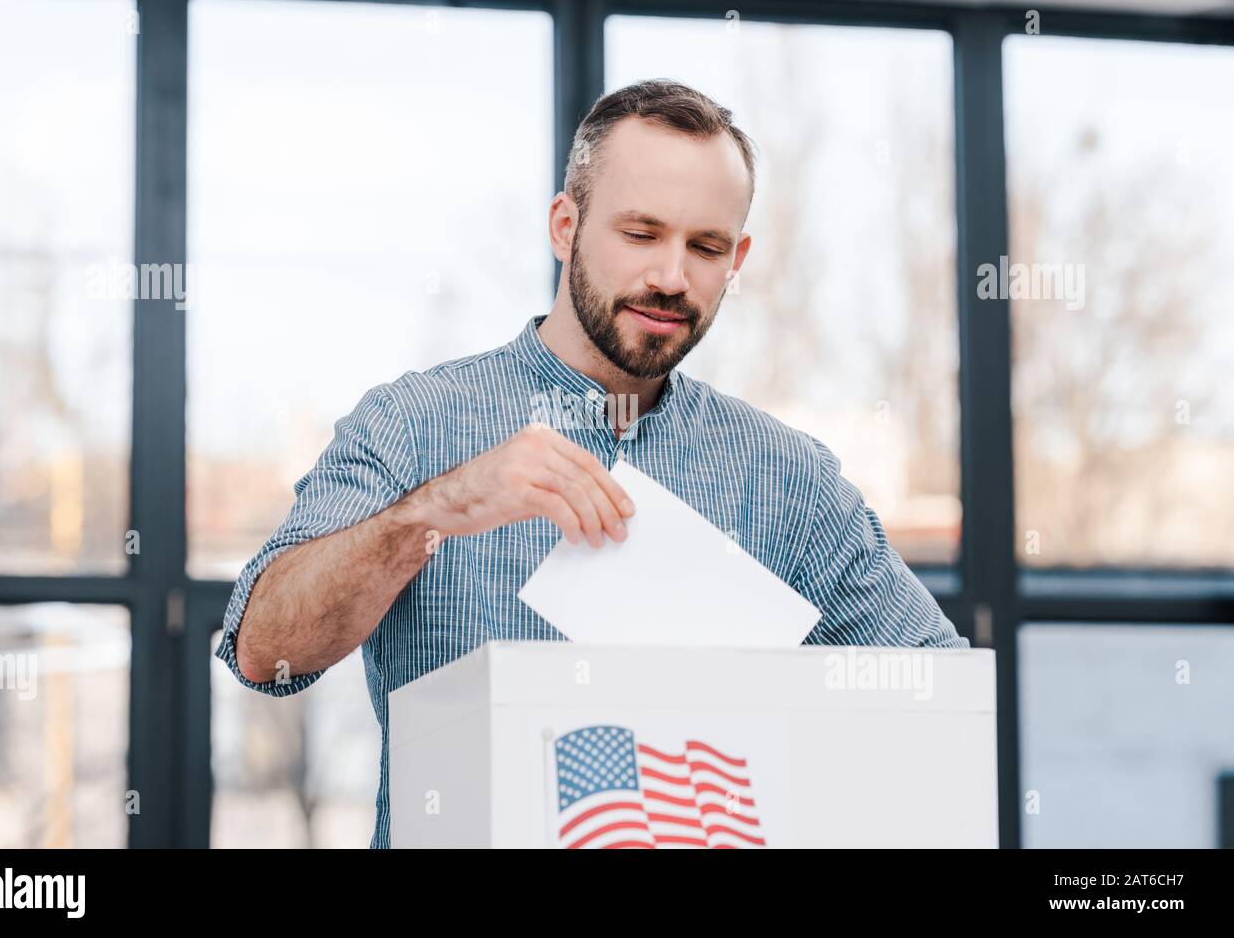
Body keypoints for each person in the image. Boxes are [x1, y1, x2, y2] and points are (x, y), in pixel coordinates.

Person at [215, 78, 968, 849]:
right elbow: (263, 651)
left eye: (706, 247)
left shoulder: (789, 478)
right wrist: (429, 512)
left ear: (737, 258)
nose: (672, 276)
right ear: (564, 226)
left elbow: (938, 700)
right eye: (641, 234)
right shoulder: (413, 424)